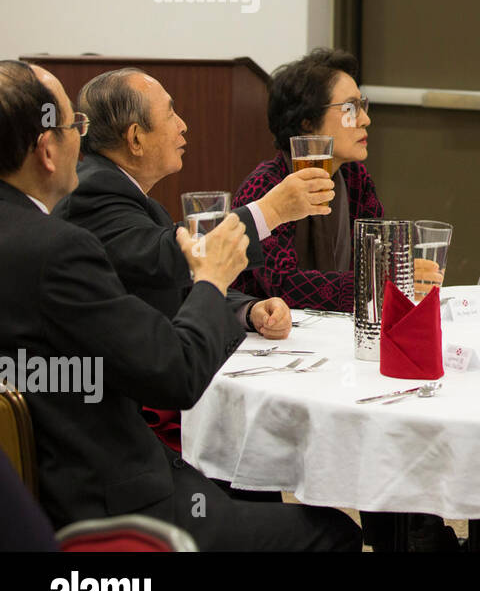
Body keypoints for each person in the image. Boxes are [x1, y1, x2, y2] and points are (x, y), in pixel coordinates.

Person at [0, 60, 359, 550]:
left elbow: (154, 281)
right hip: (106, 503)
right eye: (72, 126)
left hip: (38, 489)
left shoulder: (34, 234)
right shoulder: (58, 244)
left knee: (248, 485)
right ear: (46, 150)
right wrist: (217, 275)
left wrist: (239, 306)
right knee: (331, 533)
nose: (80, 141)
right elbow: (177, 371)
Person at [52, 67, 332, 458]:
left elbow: (179, 285)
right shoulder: (94, 191)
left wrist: (248, 311)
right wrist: (271, 209)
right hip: (127, 426)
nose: (184, 126)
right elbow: (168, 256)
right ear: (135, 138)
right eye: (170, 114)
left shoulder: (135, 197)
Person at [230, 48, 440, 312]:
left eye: (362, 106)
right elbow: (283, 286)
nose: (365, 119)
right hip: (267, 341)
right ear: (307, 122)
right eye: (351, 108)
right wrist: (384, 283)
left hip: (333, 330)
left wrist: (398, 276)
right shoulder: (265, 187)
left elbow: (377, 259)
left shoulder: (355, 179)